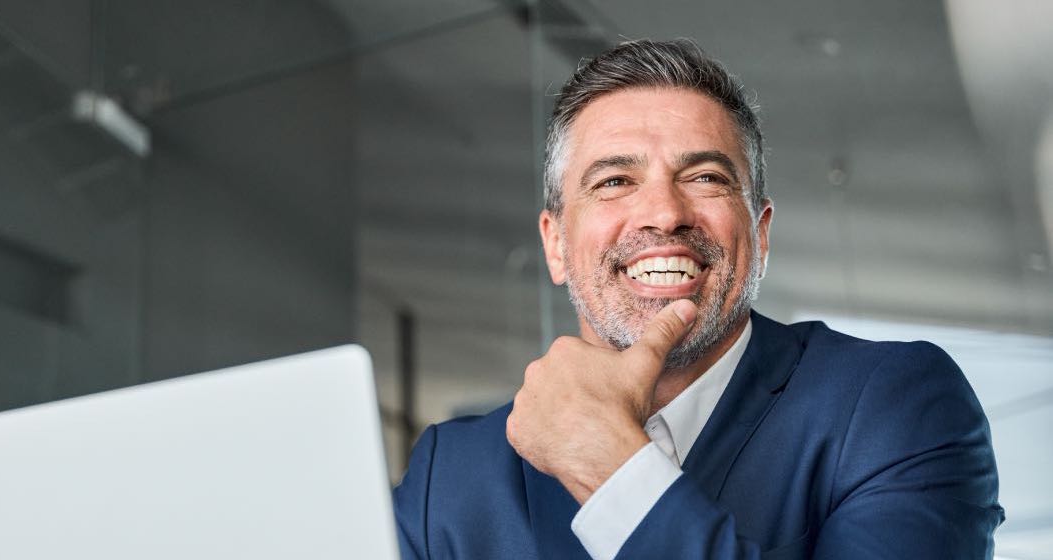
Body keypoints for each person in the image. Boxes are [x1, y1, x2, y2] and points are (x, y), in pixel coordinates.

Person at [392, 38, 1004, 559]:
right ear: (555, 245)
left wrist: (610, 465)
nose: (663, 213)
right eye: (614, 181)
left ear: (760, 235)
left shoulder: (892, 406)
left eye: (706, 177)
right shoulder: (451, 471)